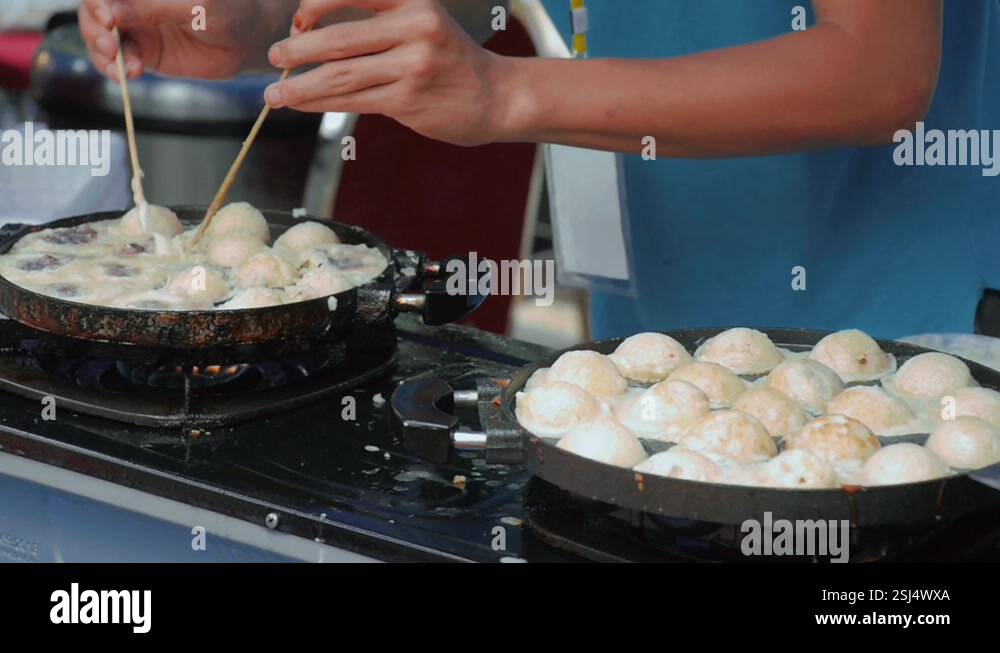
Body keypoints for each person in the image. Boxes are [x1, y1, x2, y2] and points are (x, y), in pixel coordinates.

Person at [80, 0, 1000, 339]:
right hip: (656, 341)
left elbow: (878, 71)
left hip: (910, 337)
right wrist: (232, 26)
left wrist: (510, 94)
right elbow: (465, 11)